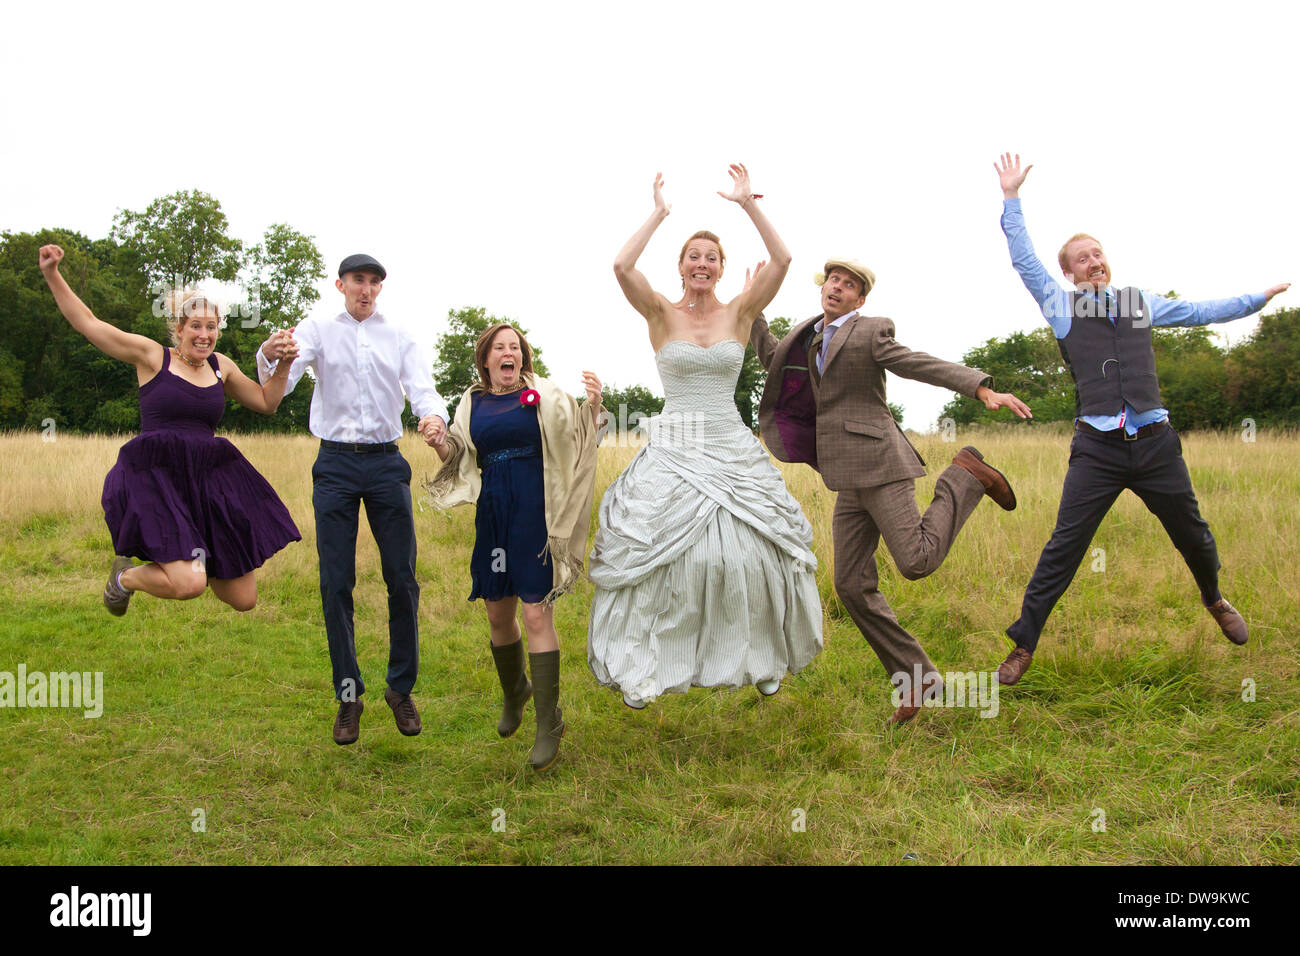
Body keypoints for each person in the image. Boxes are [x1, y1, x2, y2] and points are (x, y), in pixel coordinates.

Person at [991, 153, 1291, 685]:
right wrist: (1012, 199)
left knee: (1193, 534)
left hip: (1155, 443)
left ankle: (1215, 599)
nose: (1094, 261)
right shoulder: (1061, 306)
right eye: (1082, 258)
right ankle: (1024, 643)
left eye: (1098, 253)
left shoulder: (1139, 303)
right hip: (1098, 449)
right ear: (1069, 273)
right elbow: (1024, 261)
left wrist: (1255, 301)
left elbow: (1200, 312)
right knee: (1066, 545)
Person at [750, 257, 1031, 723]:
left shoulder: (869, 331)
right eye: (833, 280)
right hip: (846, 478)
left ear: (861, 299)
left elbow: (915, 363)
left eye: (849, 284)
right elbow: (773, 362)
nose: (837, 287)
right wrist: (752, 310)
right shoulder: (809, 338)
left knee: (915, 561)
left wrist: (979, 388)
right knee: (851, 585)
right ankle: (917, 678)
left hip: (881, 465)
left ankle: (965, 476)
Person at [587, 165, 823, 708]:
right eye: (693, 255)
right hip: (675, 443)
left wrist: (748, 204)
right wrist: (659, 212)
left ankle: (762, 657)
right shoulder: (658, 313)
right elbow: (622, 265)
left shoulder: (741, 311)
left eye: (711, 257)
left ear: (719, 269)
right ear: (682, 266)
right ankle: (645, 664)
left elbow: (784, 261)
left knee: (751, 554)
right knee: (659, 555)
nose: (702, 263)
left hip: (727, 440)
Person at [37, 243, 301, 616]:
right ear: (179, 328)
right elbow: (89, 323)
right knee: (190, 583)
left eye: (211, 327)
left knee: (244, 599)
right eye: (195, 326)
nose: (204, 335)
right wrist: (52, 274)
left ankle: (195, 556)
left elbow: (265, 403)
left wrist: (284, 365)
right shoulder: (151, 357)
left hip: (206, 482)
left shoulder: (219, 366)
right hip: (156, 477)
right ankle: (125, 577)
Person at [256, 253, 448, 745]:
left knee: (402, 578)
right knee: (335, 581)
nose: (366, 289)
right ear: (340, 284)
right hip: (336, 465)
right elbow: (281, 375)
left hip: (386, 462)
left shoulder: (399, 333)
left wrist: (432, 419)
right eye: (357, 280)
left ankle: (400, 688)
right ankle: (348, 695)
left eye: (374, 282)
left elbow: (422, 389)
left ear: (380, 289)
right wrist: (269, 350)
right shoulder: (319, 328)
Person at [424, 324, 602, 771]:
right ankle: (515, 691)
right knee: (497, 614)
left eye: (515, 348)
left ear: (523, 357)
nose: (509, 354)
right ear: (486, 359)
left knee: (536, 611)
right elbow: (458, 455)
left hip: (537, 511)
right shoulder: (472, 402)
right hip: (495, 512)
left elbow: (580, 431)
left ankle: (549, 723)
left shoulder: (545, 395)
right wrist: (438, 440)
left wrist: (595, 405)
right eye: (500, 348)